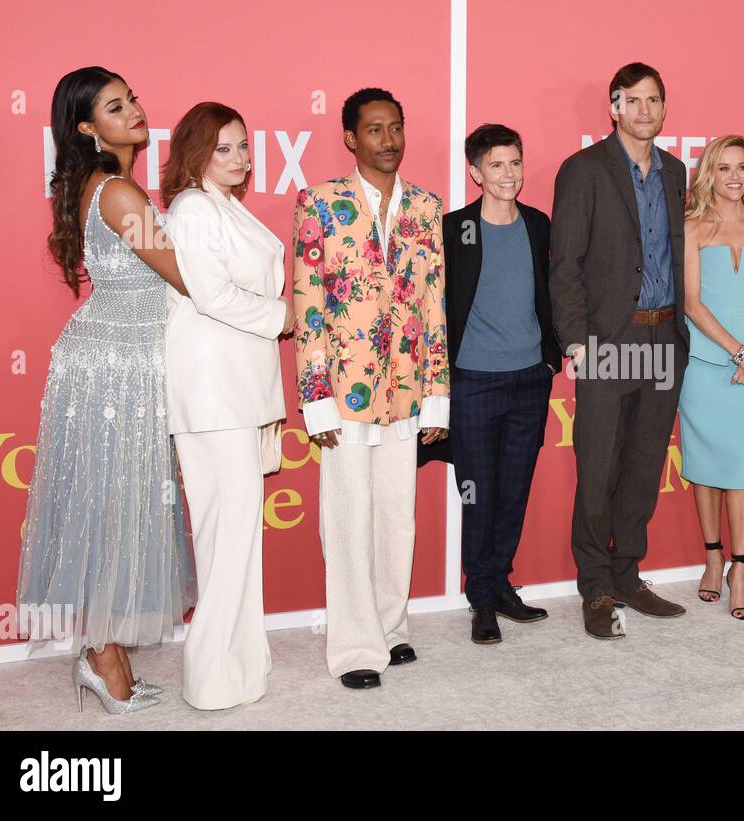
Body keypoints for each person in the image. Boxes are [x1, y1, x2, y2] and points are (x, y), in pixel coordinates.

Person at [17, 66, 195, 714]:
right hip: (112, 368)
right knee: (108, 512)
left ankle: (104, 650)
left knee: (113, 510)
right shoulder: (119, 193)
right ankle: (100, 654)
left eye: (134, 99)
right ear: (88, 128)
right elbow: (181, 272)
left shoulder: (112, 186)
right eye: (116, 107)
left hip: (120, 361)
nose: (135, 111)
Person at [291, 88, 449, 688]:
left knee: (395, 516)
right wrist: (316, 396)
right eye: (375, 130)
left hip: (407, 387)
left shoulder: (426, 208)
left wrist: (437, 393)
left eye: (396, 128)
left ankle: (390, 627)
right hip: (344, 387)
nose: (389, 140)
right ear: (351, 139)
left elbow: (435, 303)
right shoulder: (320, 203)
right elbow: (307, 304)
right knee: (350, 516)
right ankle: (356, 647)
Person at [550, 62, 689, 639]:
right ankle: (596, 585)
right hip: (610, 339)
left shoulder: (677, 172)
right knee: (599, 465)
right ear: (614, 107)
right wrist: (578, 342)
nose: (646, 111)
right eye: (634, 101)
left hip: (663, 335)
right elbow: (565, 267)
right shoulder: (584, 170)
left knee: (642, 466)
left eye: (654, 100)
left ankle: (628, 573)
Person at [162, 102, 293, 708]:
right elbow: (211, 296)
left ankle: (238, 667)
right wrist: (282, 317)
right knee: (224, 536)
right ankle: (213, 679)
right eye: (224, 149)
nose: (240, 158)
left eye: (243, 146)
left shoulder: (224, 205)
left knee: (237, 536)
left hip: (237, 389)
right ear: (195, 152)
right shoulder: (192, 209)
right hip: (214, 394)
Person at [443, 124, 560, 644]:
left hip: (530, 379)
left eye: (515, 162)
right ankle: (481, 598)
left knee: (513, 491)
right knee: (478, 494)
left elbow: (553, 294)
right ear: (475, 172)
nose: (509, 173)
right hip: (473, 380)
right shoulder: (454, 229)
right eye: (497, 164)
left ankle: (502, 585)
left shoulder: (538, 224)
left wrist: (551, 362)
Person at [680, 135, 744, 621]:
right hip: (707, 359)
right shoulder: (692, 229)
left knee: (743, 465)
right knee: (705, 461)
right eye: (723, 168)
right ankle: (712, 556)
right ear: (709, 174)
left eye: (742, 167)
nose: (735, 176)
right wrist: (738, 351)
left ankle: (740, 570)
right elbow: (692, 303)